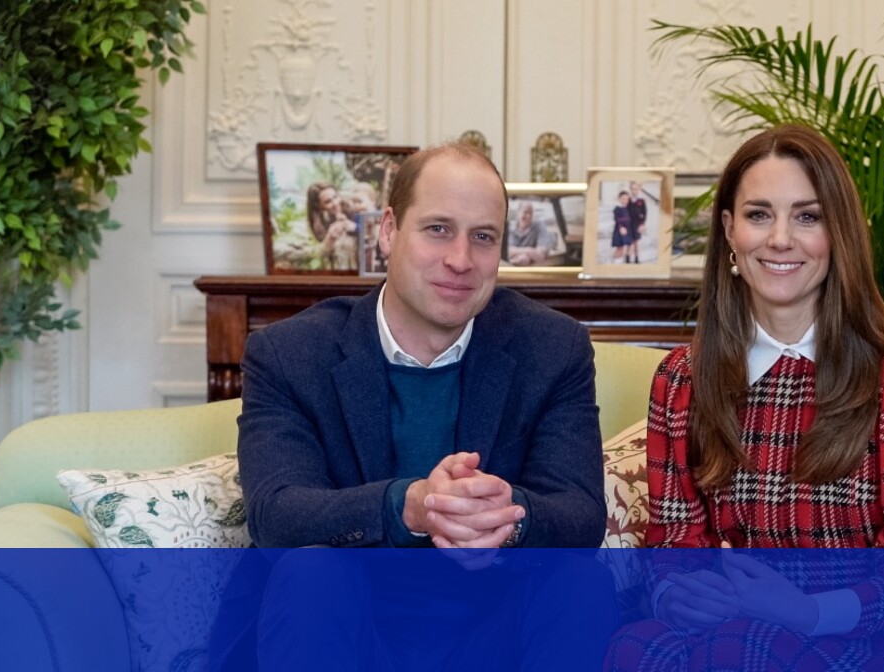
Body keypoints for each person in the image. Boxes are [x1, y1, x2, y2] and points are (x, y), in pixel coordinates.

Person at [218, 142, 616, 671]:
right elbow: (277, 515)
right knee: (312, 572)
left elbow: (581, 515)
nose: (460, 259)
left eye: (483, 237)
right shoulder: (290, 353)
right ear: (388, 230)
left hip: (490, 632)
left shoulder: (552, 348)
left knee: (580, 580)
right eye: (438, 229)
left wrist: (507, 513)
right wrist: (411, 505)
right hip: (345, 626)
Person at [604, 124, 884, 670]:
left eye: (807, 216)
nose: (781, 239)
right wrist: (677, 595)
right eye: (759, 214)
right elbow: (674, 542)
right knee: (639, 647)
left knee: (745, 646)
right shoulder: (682, 380)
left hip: (868, 636)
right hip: (730, 625)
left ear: (837, 234)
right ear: (729, 231)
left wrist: (806, 612)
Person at [506, 201, 559, 266]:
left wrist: (524, 256)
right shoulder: (510, 228)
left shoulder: (539, 226)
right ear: (518, 213)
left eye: (530, 213)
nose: (528, 216)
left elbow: (540, 256)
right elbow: (507, 252)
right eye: (525, 212)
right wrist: (528, 251)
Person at [627, 181, 648, 264]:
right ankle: (627, 257)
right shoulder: (628, 200)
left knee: (636, 241)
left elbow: (645, 212)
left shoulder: (641, 200)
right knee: (629, 241)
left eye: (636, 189)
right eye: (632, 189)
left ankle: (636, 258)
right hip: (629, 223)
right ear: (630, 189)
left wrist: (642, 224)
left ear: (638, 189)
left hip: (637, 224)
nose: (634, 190)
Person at [610, 190, 632, 263]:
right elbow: (617, 219)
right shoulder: (617, 208)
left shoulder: (627, 208)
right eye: (623, 198)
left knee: (623, 247)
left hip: (626, 230)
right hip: (619, 230)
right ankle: (615, 261)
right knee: (619, 247)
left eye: (626, 199)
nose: (625, 200)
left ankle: (619, 261)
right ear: (619, 199)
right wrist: (621, 227)